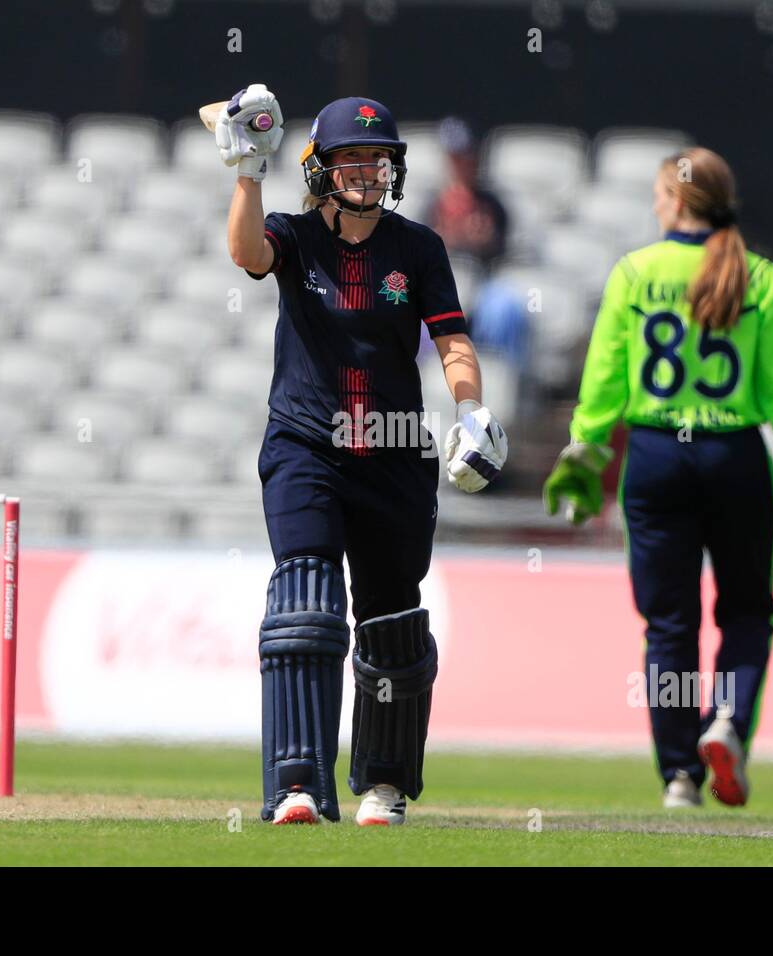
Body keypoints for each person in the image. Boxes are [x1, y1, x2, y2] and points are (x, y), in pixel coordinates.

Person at [220, 85, 509, 825]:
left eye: (379, 160)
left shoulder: (418, 248)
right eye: (351, 158)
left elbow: (451, 340)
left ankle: (383, 784)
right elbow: (247, 252)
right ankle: (295, 783)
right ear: (320, 165)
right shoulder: (294, 234)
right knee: (307, 602)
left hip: (391, 450)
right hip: (306, 444)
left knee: (391, 625)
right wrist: (248, 172)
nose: (368, 172)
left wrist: (471, 407)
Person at [542, 147, 773, 809]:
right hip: (733, 457)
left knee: (668, 625)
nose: (653, 204)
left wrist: (584, 448)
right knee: (747, 612)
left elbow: (605, 380)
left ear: (676, 201)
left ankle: (678, 773)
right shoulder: (758, 276)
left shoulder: (635, 271)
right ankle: (727, 721)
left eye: (658, 194)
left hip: (653, 460)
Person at [424, 117, 528, 367]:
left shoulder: (491, 203)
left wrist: (486, 241)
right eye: (455, 156)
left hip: (485, 283)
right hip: (442, 283)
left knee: (504, 308)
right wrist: (449, 238)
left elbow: (508, 251)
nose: (461, 163)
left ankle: (500, 380)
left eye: (466, 155)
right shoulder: (432, 204)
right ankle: (425, 386)